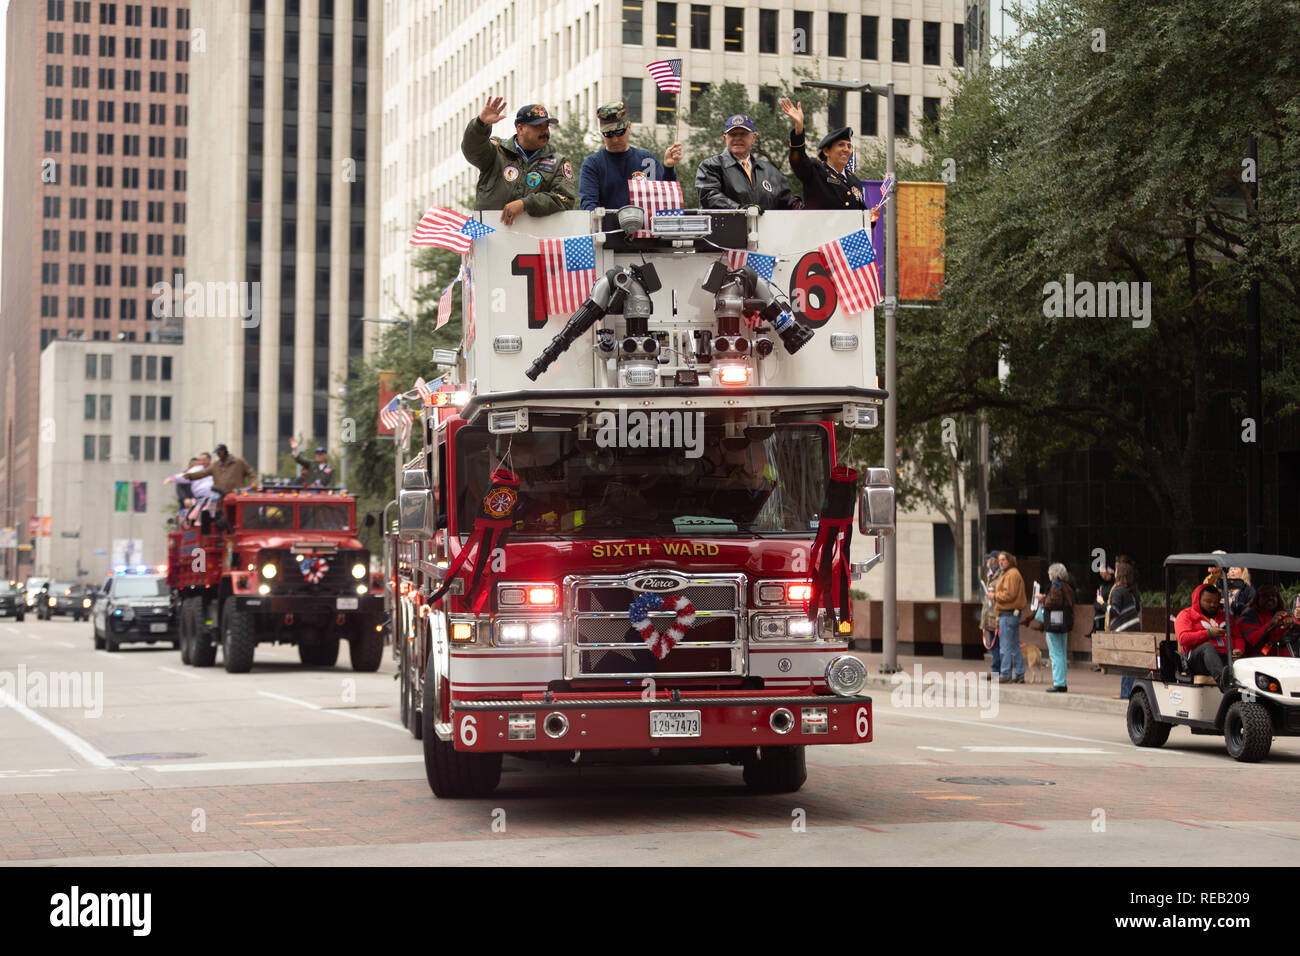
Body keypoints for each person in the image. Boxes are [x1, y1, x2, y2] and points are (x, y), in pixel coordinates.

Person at [462, 96, 577, 225]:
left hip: (535, 239)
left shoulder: (558, 162)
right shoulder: (496, 151)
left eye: (547, 126)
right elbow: (472, 150)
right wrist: (480, 124)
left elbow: (565, 199)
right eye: (538, 126)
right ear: (520, 129)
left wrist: (526, 204)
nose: (545, 132)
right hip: (491, 235)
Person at [778, 99, 878, 216]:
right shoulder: (816, 170)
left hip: (848, 234)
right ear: (826, 151)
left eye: (849, 146)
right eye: (841, 145)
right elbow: (797, 160)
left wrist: (871, 217)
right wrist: (799, 129)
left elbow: (860, 219)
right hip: (821, 232)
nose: (846, 149)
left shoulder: (854, 181)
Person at [578, 101, 683, 211]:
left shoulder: (646, 161)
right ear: (601, 132)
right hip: (608, 227)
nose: (615, 139)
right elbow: (588, 205)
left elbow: (665, 199)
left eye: (619, 132)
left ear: (629, 126)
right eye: (608, 134)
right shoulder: (592, 164)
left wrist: (669, 168)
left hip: (644, 226)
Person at [695, 114, 798, 211]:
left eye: (743, 134)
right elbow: (709, 196)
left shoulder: (770, 171)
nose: (738, 138)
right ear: (725, 138)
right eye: (733, 134)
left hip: (766, 229)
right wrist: (741, 210)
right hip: (729, 229)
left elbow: (788, 202)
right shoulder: (711, 166)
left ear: (753, 137)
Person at [1176, 582, 1234, 690]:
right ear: (1198, 600)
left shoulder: (1226, 616)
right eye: (1208, 601)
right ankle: (1225, 685)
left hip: (1224, 657)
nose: (1212, 605)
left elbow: (1238, 637)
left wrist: (1239, 648)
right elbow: (1183, 638)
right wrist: (1208, 633)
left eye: (1215, 602)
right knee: (1208, 647)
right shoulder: (1186, 614)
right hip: (1196, 661)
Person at [1106, 560, 1142, 698]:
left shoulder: (1118, 591)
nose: (1114, 573)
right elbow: (1137, 609)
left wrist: (1104, 605)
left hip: (1123, 632)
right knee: (1130, 663)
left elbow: (1114, 610)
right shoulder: (1132, 591)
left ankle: (1126, 693)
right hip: (1134, 630)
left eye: (1115, 571)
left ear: (1119, 574)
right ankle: (1126, 692)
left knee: (1126, 664)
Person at [1041, 563, 1075, 693]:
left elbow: (1053, 602)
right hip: (1064, 624)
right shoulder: (1067, 586)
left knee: (1055, 654)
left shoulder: (1055, 586)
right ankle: (1062, 682)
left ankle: (1059, 683)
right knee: (1061, 652)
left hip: (1054, 624)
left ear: (1054, 574)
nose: (1049, 575)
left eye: (1050, 573)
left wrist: (1044, 600)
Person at [994, 551, 1027, 682]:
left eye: (1003, 559)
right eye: (999, 560)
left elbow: (1009, 594)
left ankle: (1005, 674)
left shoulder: (1011, 574)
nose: (1000, 562)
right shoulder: (1010, 574)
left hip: (1008, 614)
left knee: (1006, 646)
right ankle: (1019, 674)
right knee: (1013, 645)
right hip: (1010, 614)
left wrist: (995, 596)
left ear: (1009, 560)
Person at [979, 551, 1002, 676]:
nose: (987, 561)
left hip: (996, 614)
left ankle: (997, 670)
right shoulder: (991, 574)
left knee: (997, 644)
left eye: (989, 559)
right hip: (990, 613)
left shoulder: (1000, 575)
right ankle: (995, 670)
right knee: (993, 644)